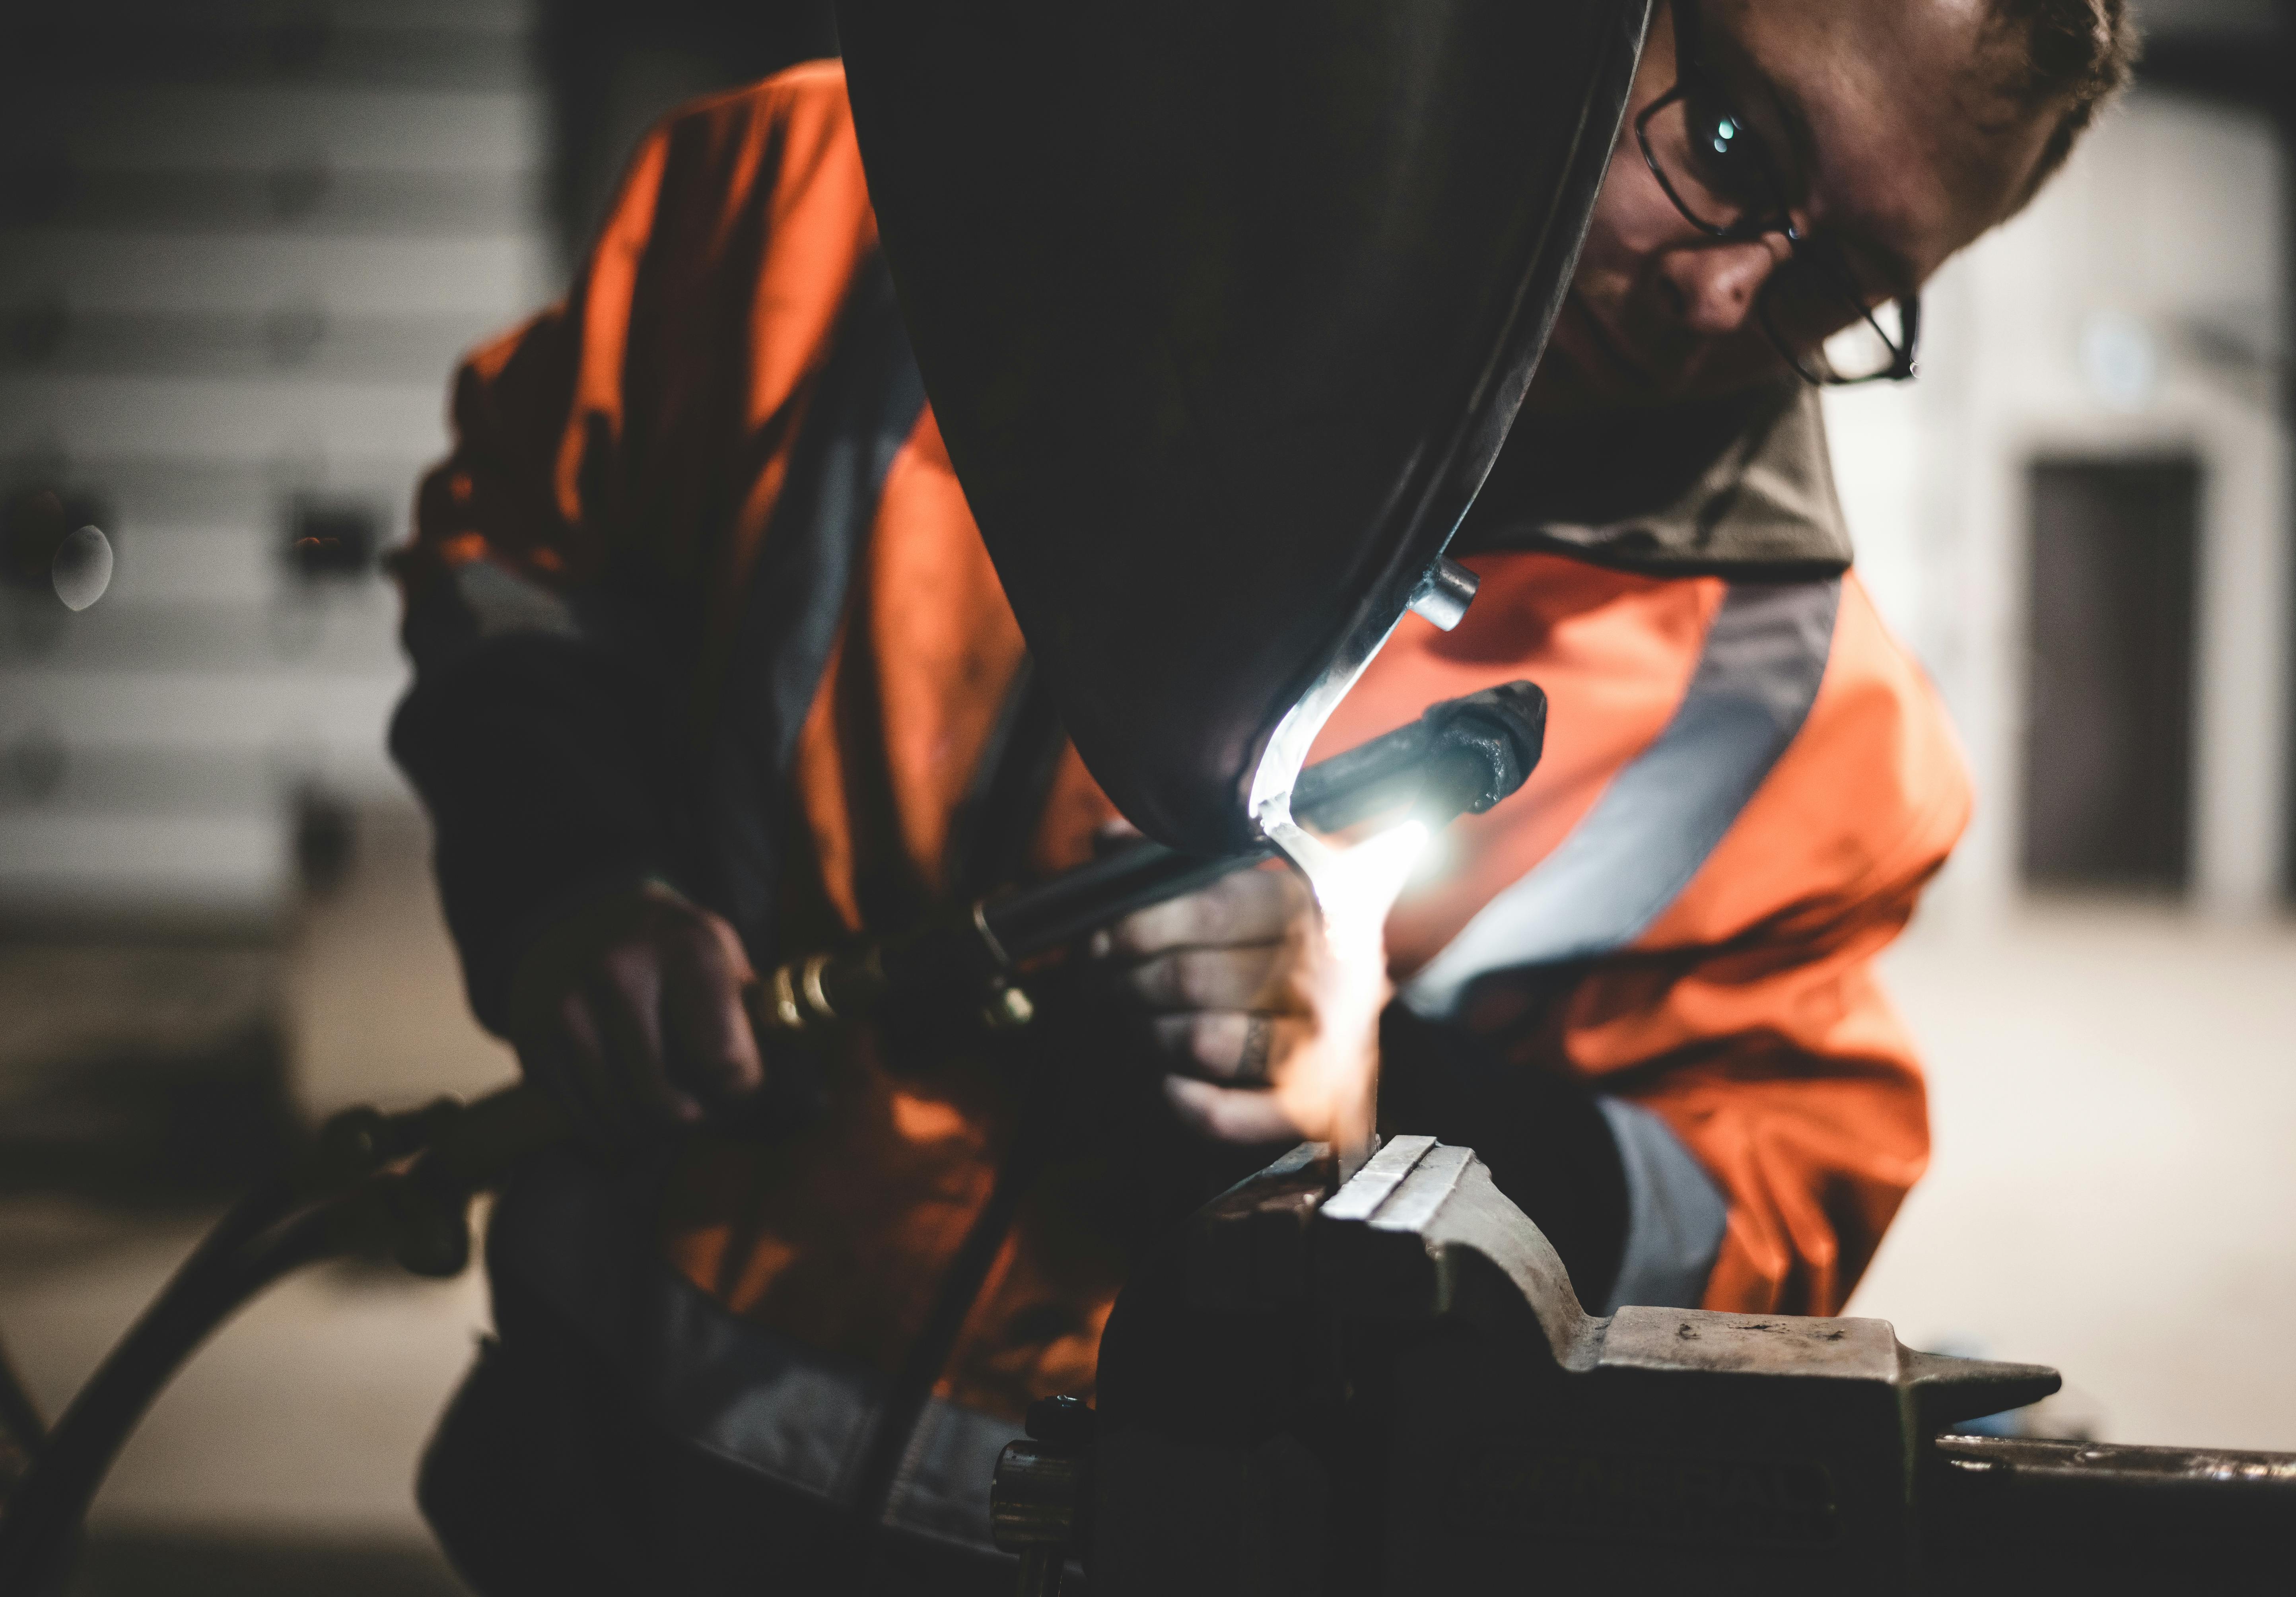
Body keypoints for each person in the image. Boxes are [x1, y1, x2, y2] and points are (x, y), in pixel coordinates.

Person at [389, 1, 2136, 1590]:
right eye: (1737, 143)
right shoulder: (847, 202)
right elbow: (522, 557)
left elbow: (1741, 1211)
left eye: (1842, 280)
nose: (1723, 296)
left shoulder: (1800, 703)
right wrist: (571, 876)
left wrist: (1387, 1116)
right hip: (616, 1478)